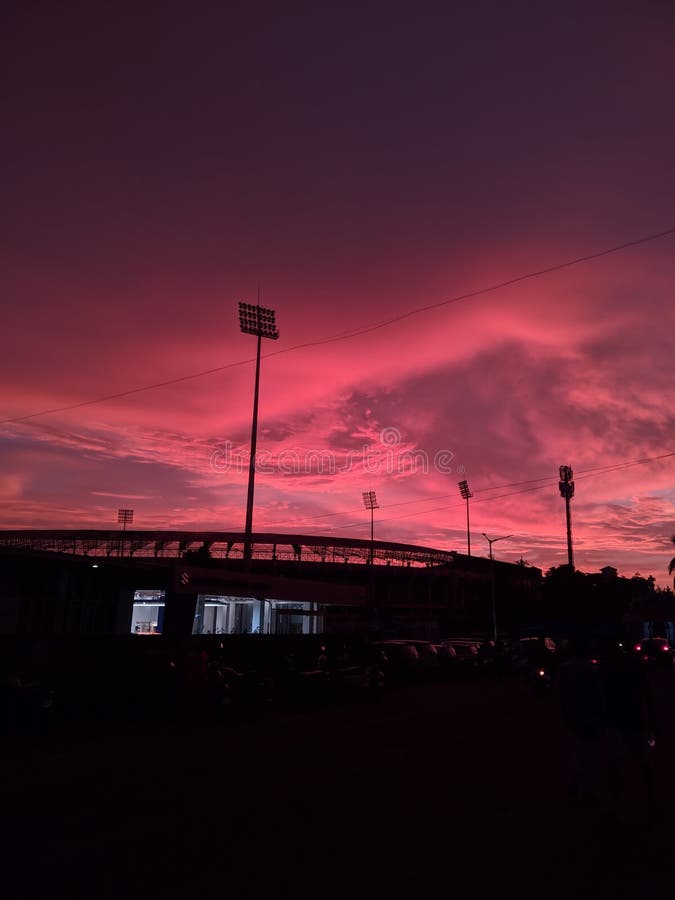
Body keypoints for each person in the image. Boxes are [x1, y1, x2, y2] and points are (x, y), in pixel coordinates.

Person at [602, 642, 656, 820]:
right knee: (641, 762)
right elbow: (646, 693)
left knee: (617, 765)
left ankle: (617, 806)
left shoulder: (605, 669)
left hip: (618, 721)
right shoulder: (632, 667)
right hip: (632, 720)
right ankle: (650, 801)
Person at [556, 635, 606, 805]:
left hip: (572, 713)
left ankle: (577, 782)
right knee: (589, 751)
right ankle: (587, 787)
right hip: (588, 714)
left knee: (578, 748)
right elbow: (597, 693)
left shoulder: (563, 669)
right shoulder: (589, 669)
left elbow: (560, 694)